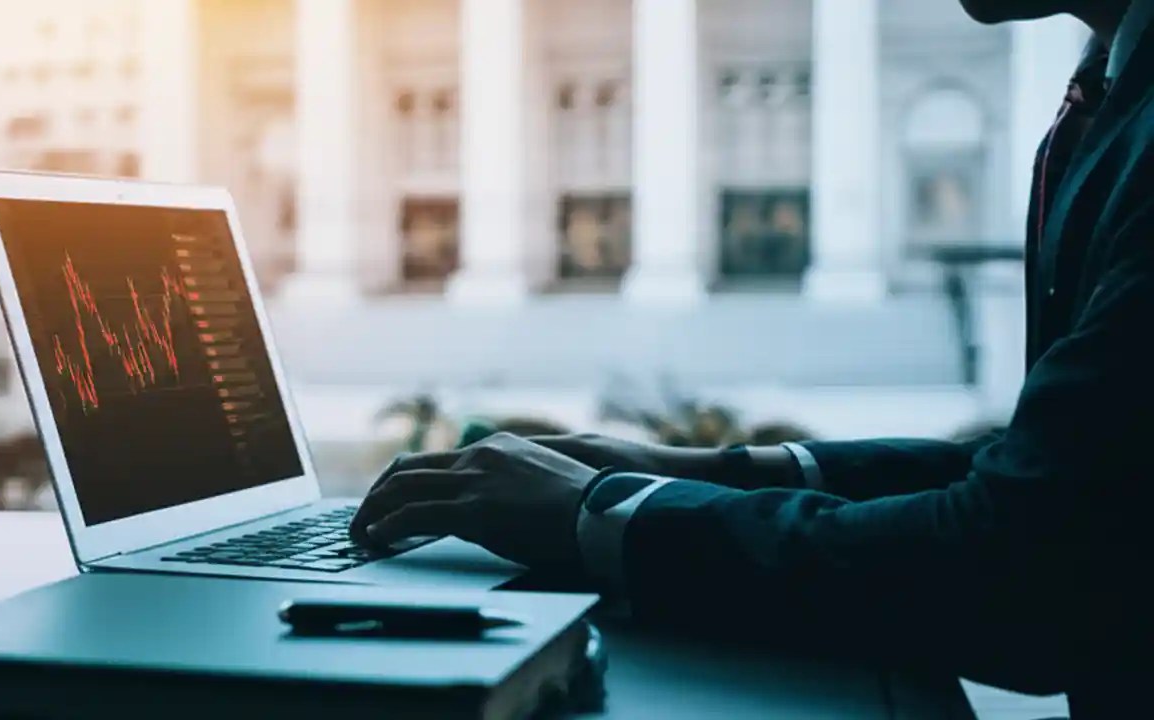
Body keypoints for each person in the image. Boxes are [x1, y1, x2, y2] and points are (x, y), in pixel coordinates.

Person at [351, 0, 1154, 715]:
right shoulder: (1120, 94)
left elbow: (1024, 572)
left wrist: (599, 512)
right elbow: (1068, 475)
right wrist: (695, 468)